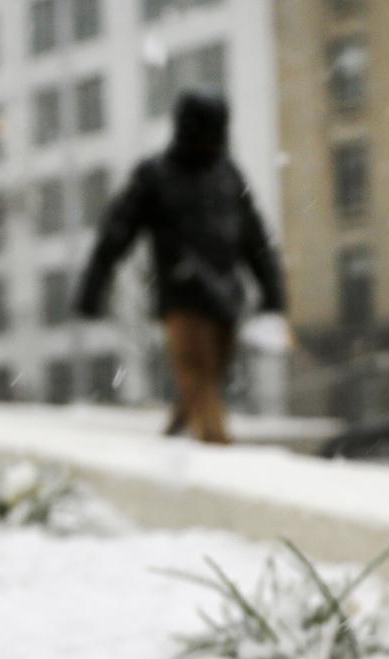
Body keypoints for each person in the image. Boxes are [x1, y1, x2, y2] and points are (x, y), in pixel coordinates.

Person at [73, 90, 286, 445]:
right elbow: (116, 234)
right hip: (182, 295)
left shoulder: (228, 175)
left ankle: (172, 440)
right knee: (198, 376)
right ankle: (217, 448)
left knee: (207, 379)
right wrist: (92, 288)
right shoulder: (156, 175)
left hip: (226, 297)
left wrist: (273, 295)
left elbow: (255, 239)